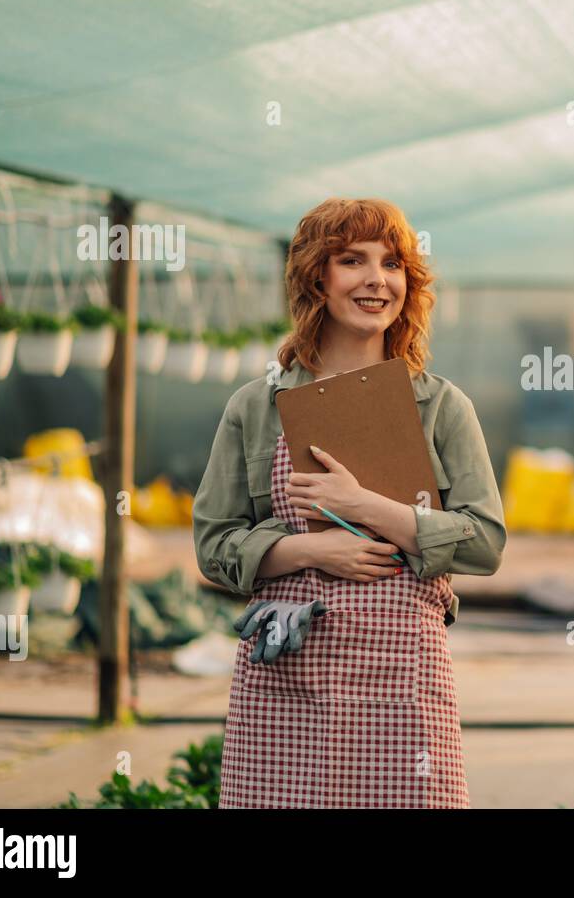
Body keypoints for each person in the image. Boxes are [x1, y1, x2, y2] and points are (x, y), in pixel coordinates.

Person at [192, 197, 506, 808]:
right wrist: (310, 549)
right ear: (316, 277)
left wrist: (362, 504)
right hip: (288, 673)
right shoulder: (257, 407)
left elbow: (485, 542)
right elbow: (213, 547)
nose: (376, 280)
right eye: (351, 261)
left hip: (401, 679)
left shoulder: (440, 406)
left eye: (392, 264)